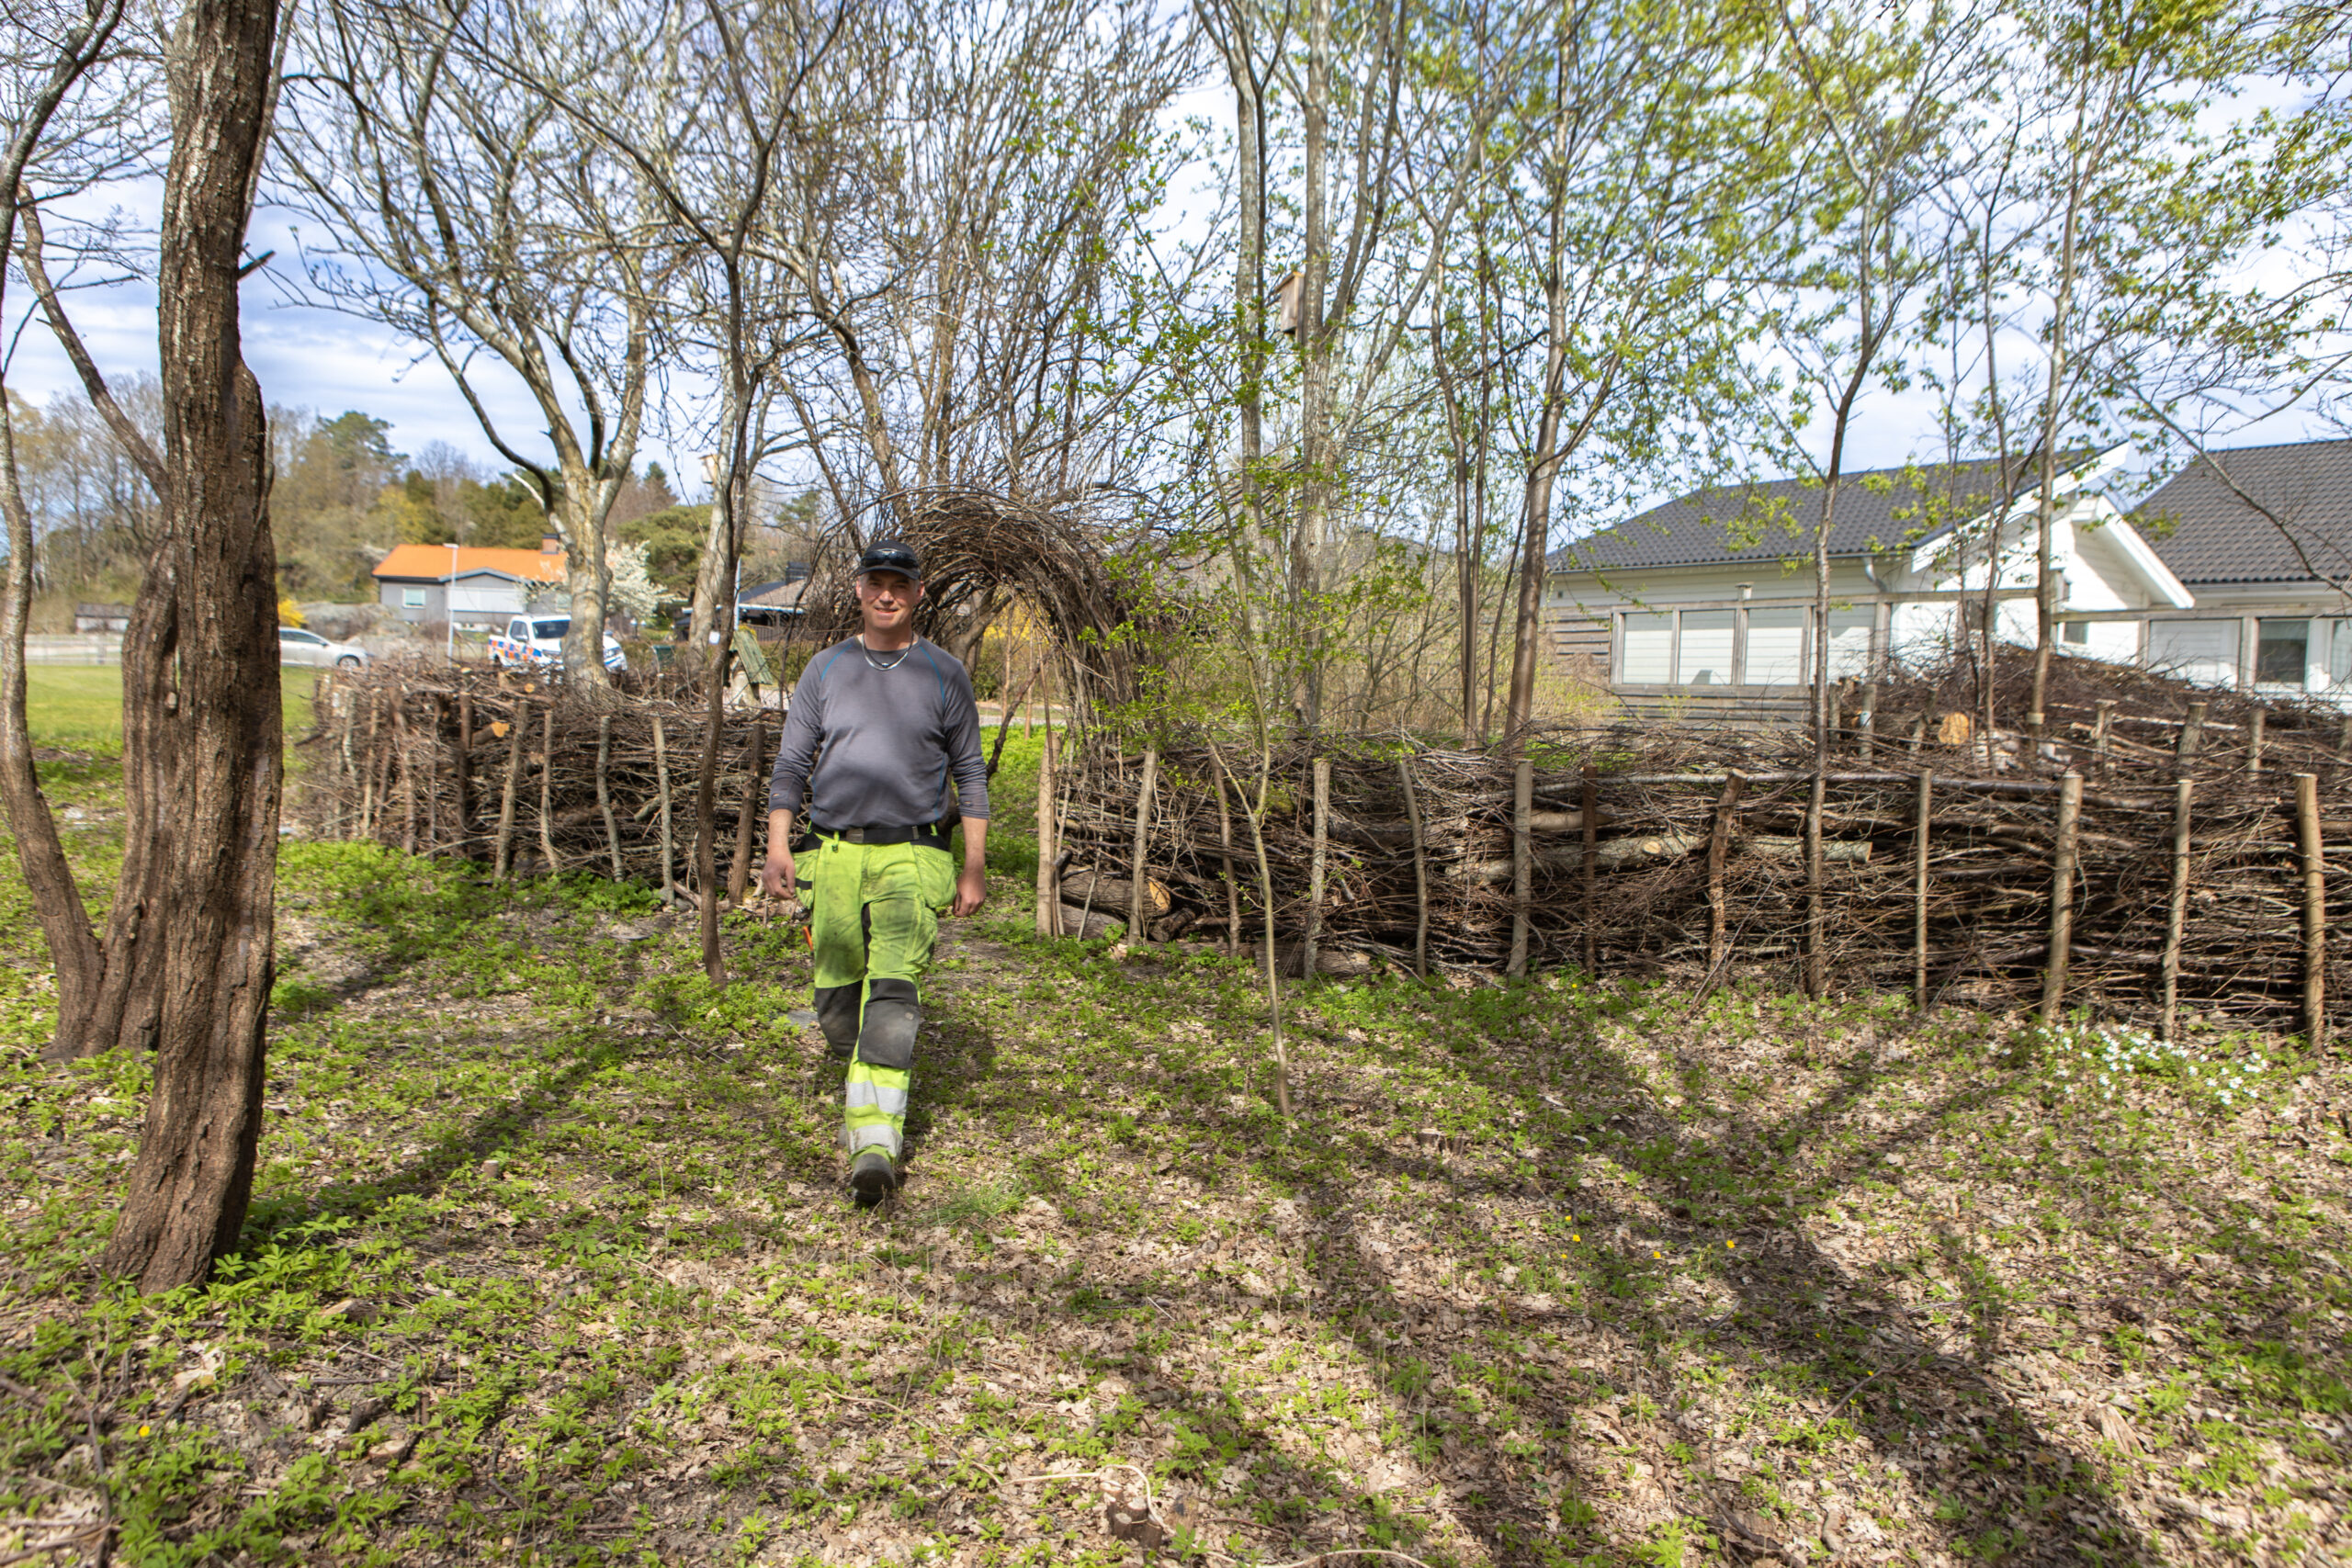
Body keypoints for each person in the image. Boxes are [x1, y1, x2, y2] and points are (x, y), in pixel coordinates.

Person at [761, 540, 989, 1207]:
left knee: (891, 1001)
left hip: (912, 856)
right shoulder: (825, 670)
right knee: (837, 1010)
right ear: (858, 590)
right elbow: (790, 766)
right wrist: (778, 848)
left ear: (919, 594)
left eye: (900, 583)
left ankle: (874, 1146)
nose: (887, 594)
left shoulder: (945, 675)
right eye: (876, 582)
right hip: (831, 856)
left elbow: (970, 773)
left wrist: (973, 864)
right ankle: (860, 1078)